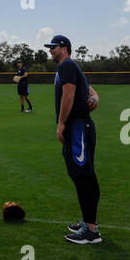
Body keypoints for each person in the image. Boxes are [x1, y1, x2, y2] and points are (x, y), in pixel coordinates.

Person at [46, 35, 101, 244]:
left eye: (54, 47)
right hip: (80, 127)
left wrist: (61, 124)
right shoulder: (70, 67)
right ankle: (89, 223)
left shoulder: (67, 66)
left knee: (82, 176)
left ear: (65, 48)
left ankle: (91, 231)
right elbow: (89, 89)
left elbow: (68, 96)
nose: (50, 50)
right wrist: (95, 97)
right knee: (84, 175)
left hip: (78, 127)